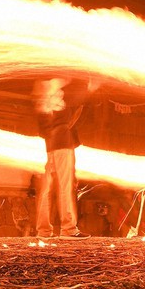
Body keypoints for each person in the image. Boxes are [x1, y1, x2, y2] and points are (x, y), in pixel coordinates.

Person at [34, 77, 97, 240]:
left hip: (52, 147)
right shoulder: (59, 108)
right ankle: (68, 229)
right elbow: (78, 101)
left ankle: (43, 231)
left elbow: (43, 131)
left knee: (48, 189)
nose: (62, 94)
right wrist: (89, 88)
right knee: (65, 186)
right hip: (62, 145)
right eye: (58, 92)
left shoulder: (45, 109)